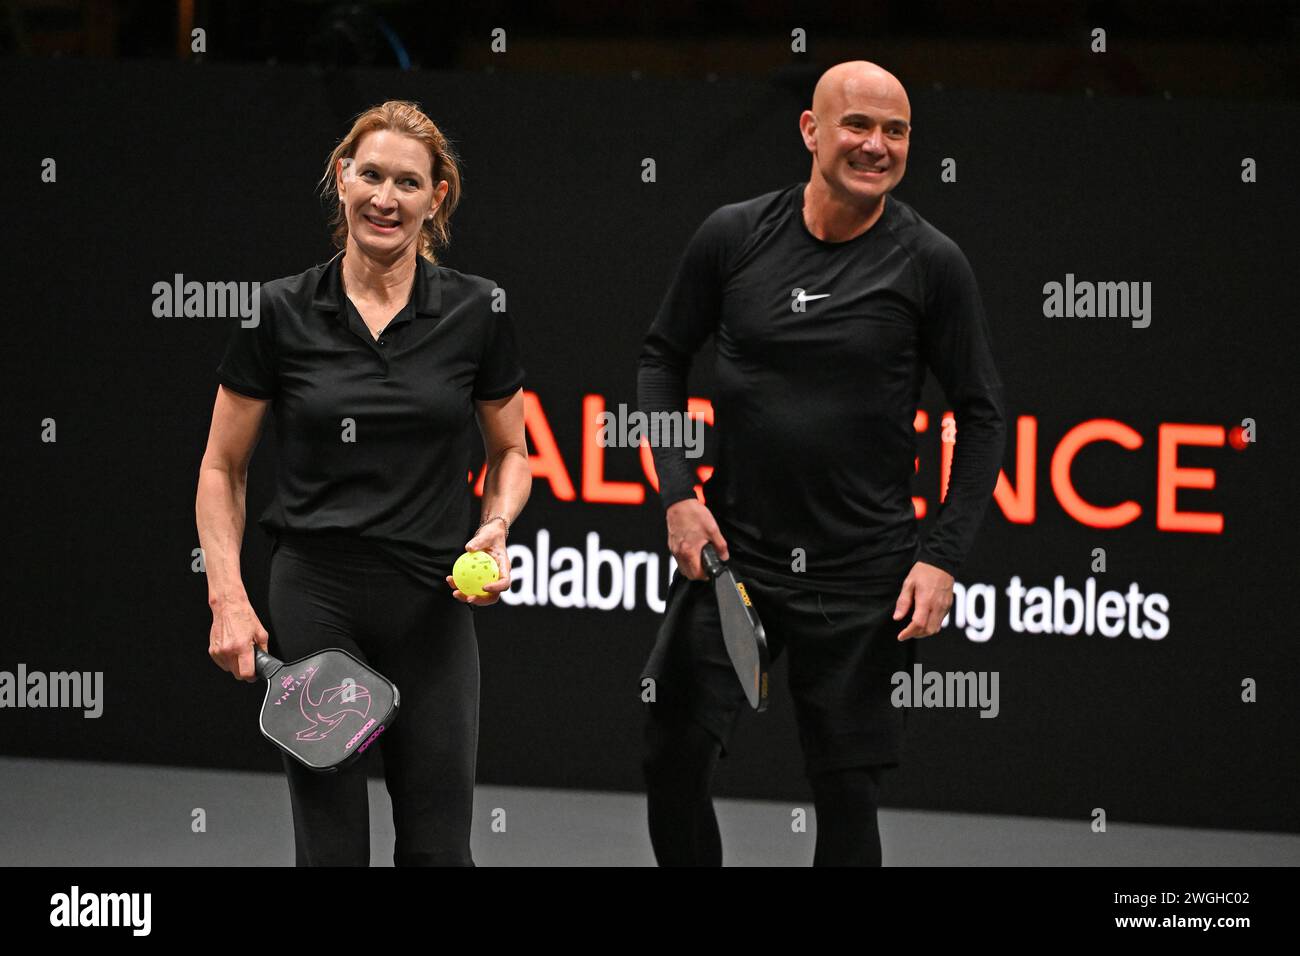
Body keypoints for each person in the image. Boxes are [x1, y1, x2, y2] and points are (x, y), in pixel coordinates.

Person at [637, 62, 1006, 866]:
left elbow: (982, 416)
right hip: (734, 562)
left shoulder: (931, 263)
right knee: (670, 759)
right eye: (858, 125)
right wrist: (675, 493)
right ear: (811, 130)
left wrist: (941, 558)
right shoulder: (733, 236)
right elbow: (662, 358)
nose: (877, 145)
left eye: (896, 131)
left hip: (865, 575)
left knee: (846, 796)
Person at [196, 100, 529, 866]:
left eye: (408, 182)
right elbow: (222, 467)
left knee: (441, 852)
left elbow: (512, 451)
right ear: (341, 178)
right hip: (316, 599)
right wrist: (227, 595)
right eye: (371, 174)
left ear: (435, 197)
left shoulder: (478, 311)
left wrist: (497, 524)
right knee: (333, 850)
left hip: (432, 605)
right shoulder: (277, 311)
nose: (386, 197)